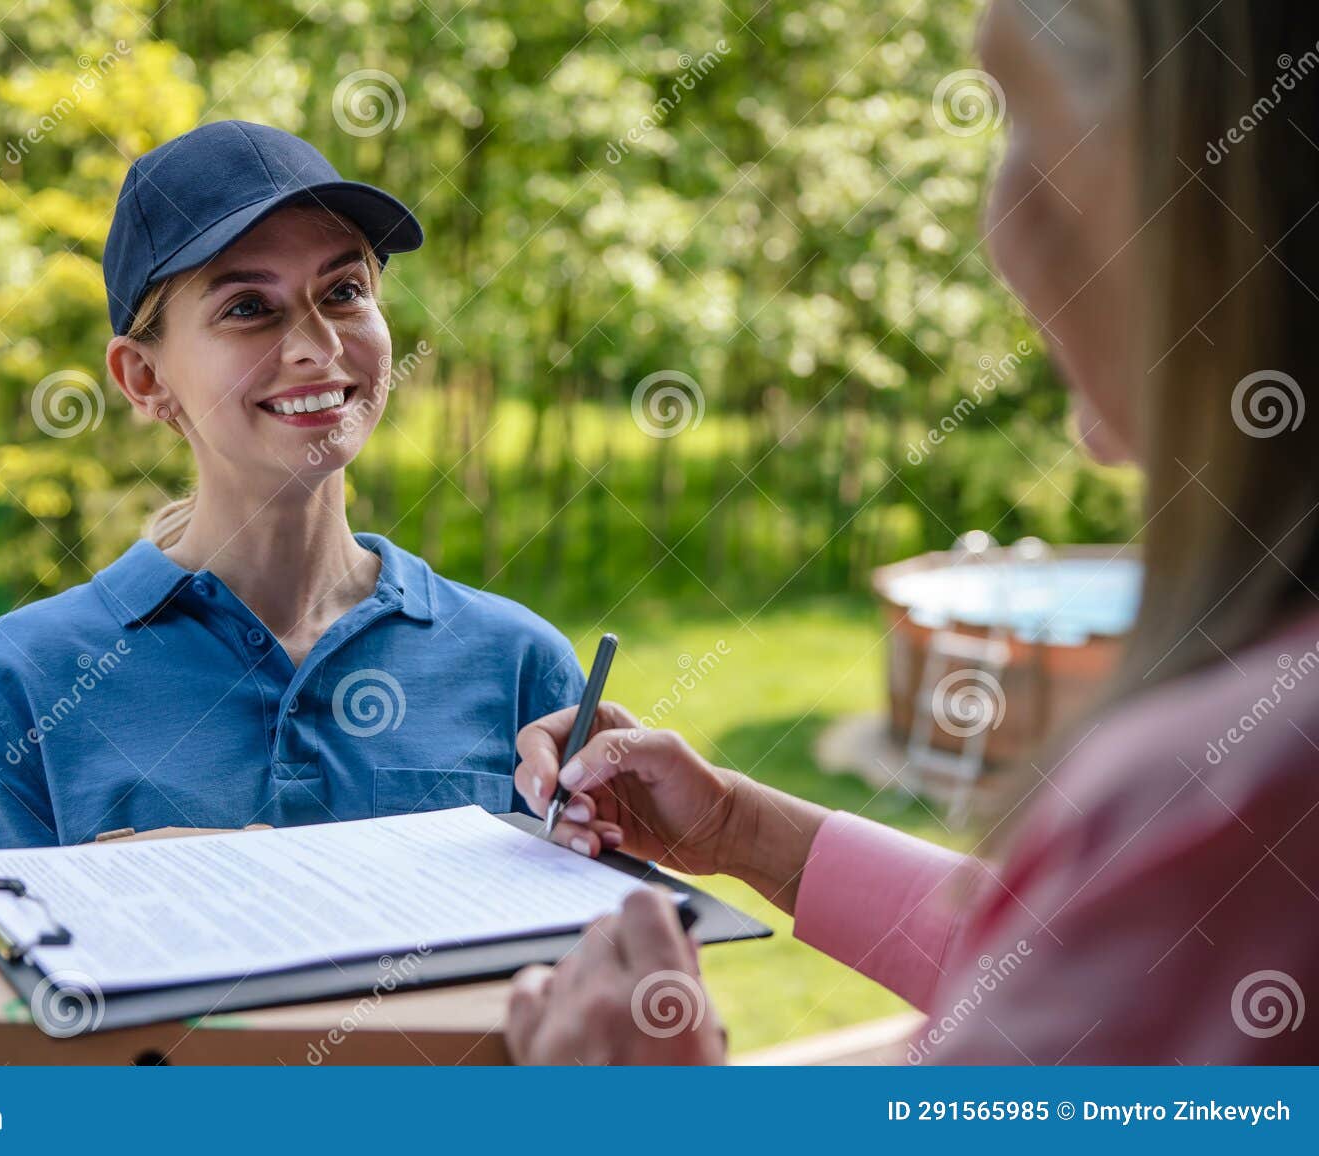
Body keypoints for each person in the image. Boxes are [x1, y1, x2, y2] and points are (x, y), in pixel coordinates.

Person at [507, 0, 1319, 1064]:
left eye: (1018, 112)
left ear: (1214, 180)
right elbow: (1077, 995)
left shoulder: (1237, 796)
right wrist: (743, 830)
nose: (999, 220)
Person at [0, 122, 584, 1061]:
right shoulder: (16, 685)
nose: (315, 346)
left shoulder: (517, 662)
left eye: (344, 291)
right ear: (145, 379)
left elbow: (592, 1033)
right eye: (248, 310)